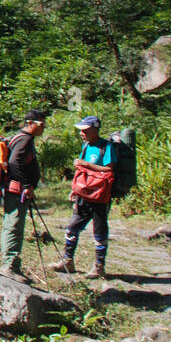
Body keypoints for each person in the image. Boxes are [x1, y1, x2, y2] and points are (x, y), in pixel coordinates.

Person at [50, 115, 117, 279]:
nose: (81, 133)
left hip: (100, 196)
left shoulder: (106, 147)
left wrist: (86, 164)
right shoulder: (86, 146)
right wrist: (75, 189)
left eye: (85, 130)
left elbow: (109, 170)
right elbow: (81, 171)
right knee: (72, 227)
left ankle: (99, 267)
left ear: (95, 130)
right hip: (84, 194)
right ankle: (67, 261)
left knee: (99, 231)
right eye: (81, 130)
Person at [0, 109, 47, 283]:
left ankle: (11, 265)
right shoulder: (25, 139)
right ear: (29, 123)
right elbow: (14, 162)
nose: (43, 128)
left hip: (17, 189)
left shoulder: (21, 137)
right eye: (41, 124)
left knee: (12, 225)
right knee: (14, 225)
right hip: (18, 190)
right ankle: (9, 266)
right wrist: (27, 185)